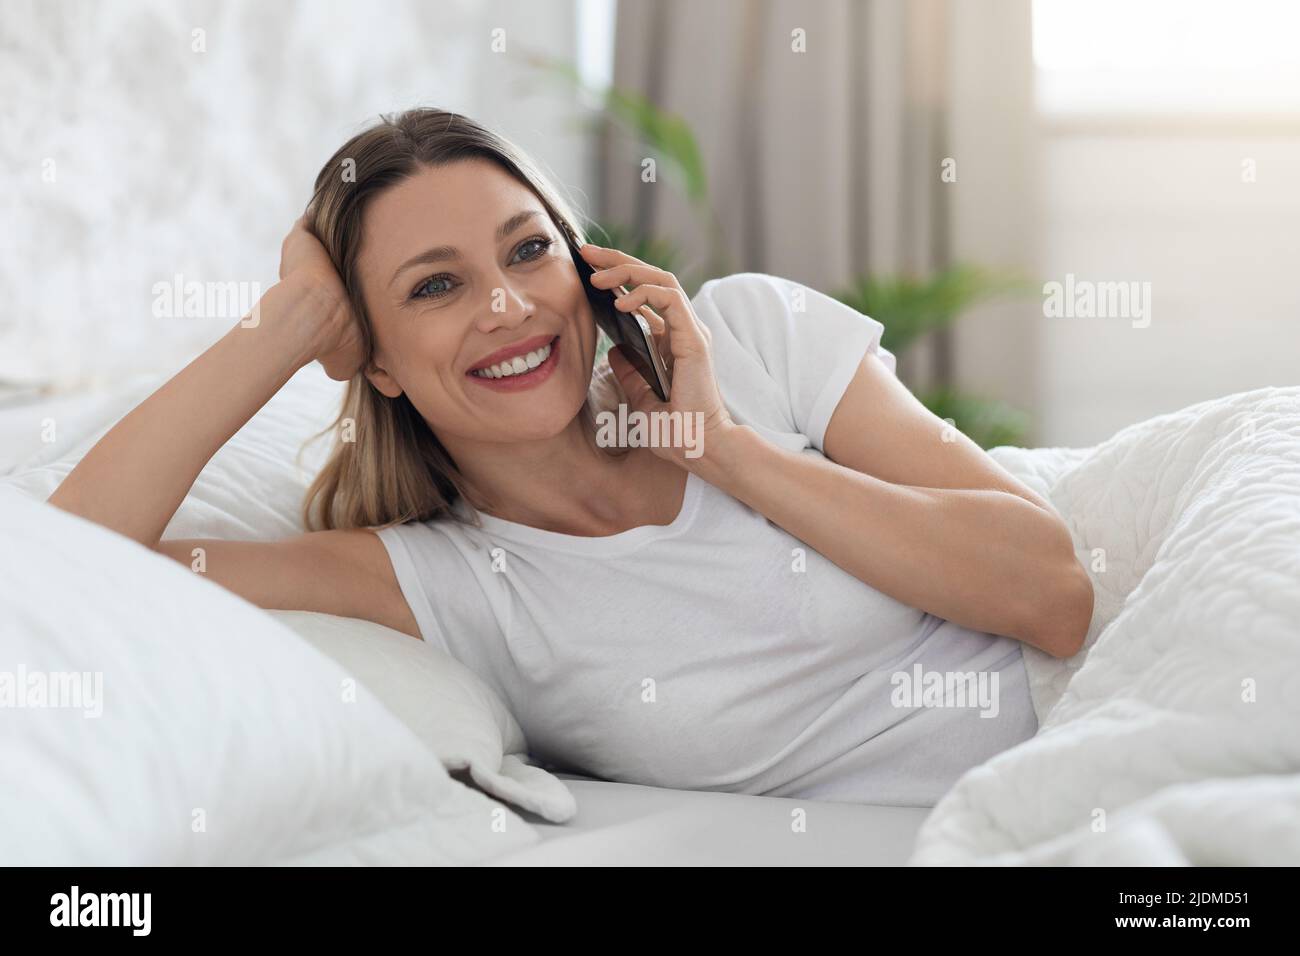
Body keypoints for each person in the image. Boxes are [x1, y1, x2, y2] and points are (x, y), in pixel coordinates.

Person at [49, 107, 1092, 806]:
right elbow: (62, 566)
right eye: (434, 286)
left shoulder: (753, 339)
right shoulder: (430, 579)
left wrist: (726, 452)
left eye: (526, 248)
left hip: (1097, 724)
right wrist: (288, 327)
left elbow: (1051, 591)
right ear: (374, 360)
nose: (507, 305)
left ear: (581, 259)